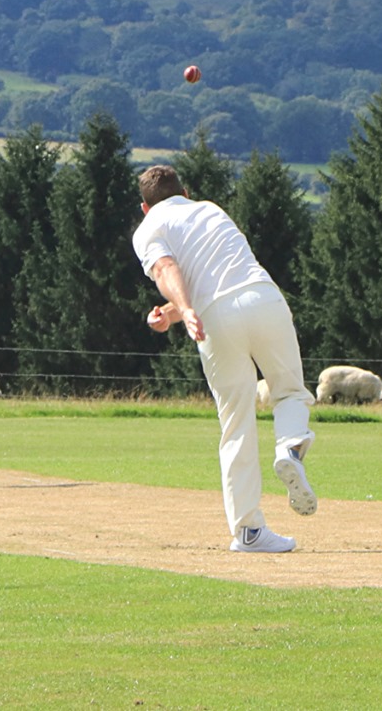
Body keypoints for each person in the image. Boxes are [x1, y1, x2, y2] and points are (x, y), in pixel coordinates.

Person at [135, 164, 317, 554]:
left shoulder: (148, 229)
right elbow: (221, 273)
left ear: (145, 207)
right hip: (263, 297)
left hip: (216, 317)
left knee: (236, 421)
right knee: (289, 393)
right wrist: (175, 311)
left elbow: (168, 268)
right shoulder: (210, 209)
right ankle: (290, 448)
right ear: (185, 190)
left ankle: (249, 531)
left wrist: (182, 309)